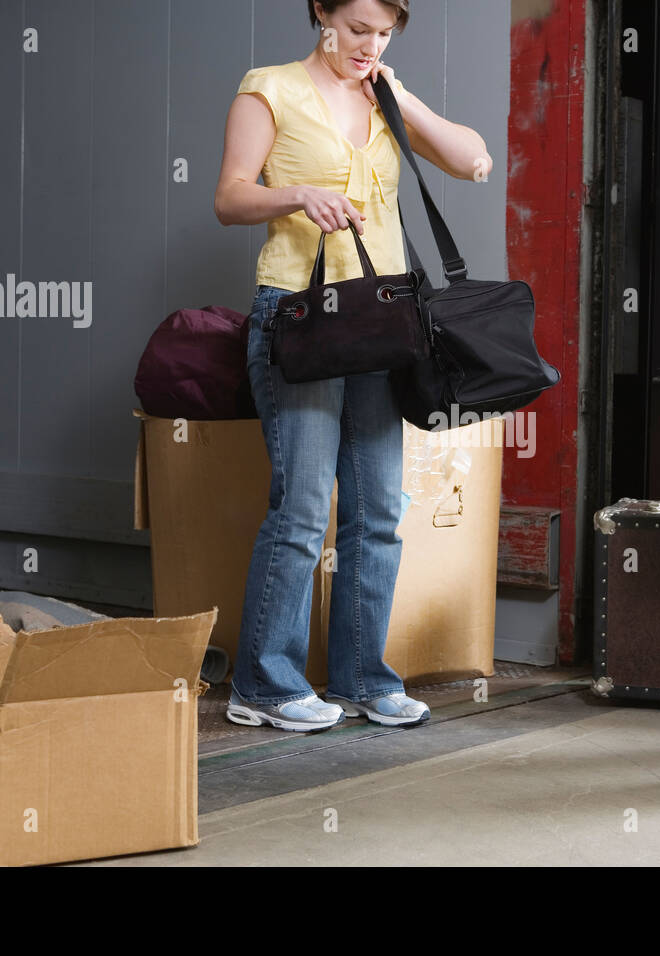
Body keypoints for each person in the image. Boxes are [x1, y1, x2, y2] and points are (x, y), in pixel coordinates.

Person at [213, 0, 492, 731]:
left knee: (379, 512)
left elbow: (474, 161)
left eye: (385, 34)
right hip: (300, 318)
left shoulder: (385, 88)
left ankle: (363, 677)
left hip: (383, 321)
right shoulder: (268, 88)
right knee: (303, 507)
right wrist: (299, 194)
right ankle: (263, 685)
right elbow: (229, 198)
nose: (370, 45)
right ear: (321, 13)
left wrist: (397, 97)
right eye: (358, 29)